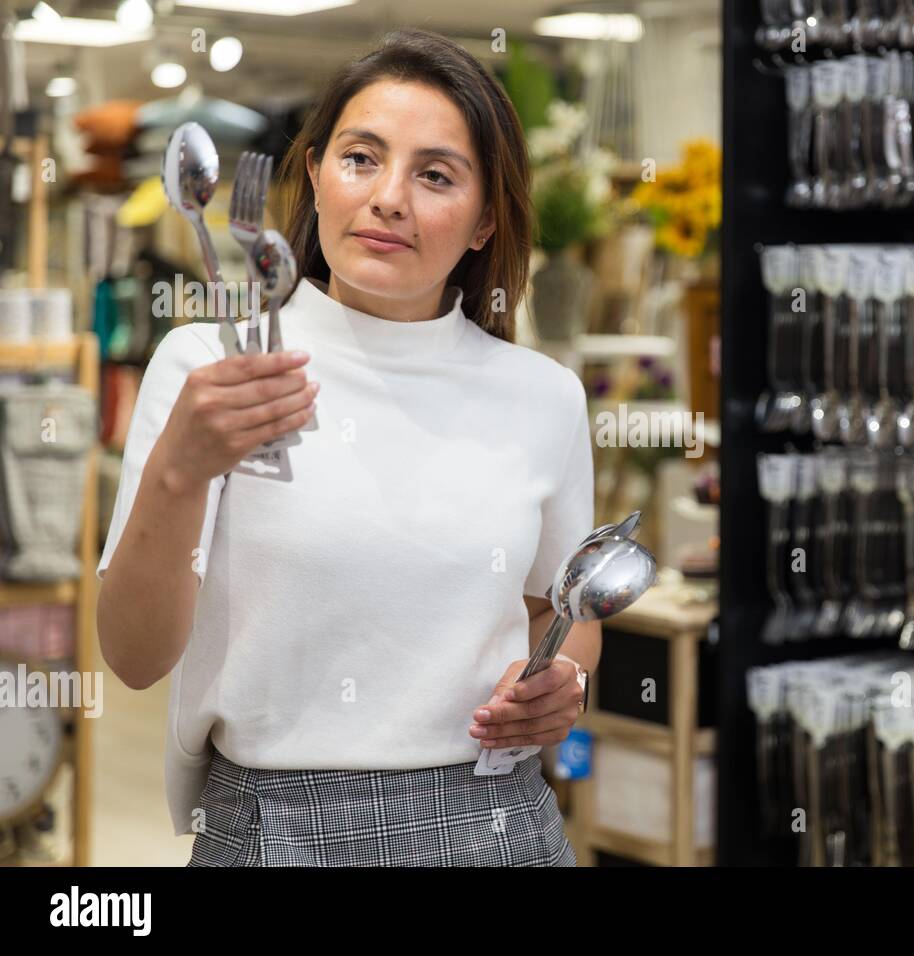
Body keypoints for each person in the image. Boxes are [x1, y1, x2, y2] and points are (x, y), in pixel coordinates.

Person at [96, 29, 597, 866]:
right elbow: (133, 658)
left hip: (499, 826)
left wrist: (563, 684)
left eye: (435, 175)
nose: (389, 197)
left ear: (485, 224)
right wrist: (182, 469)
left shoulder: (543, 395)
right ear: (317, 176)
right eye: (362, 158)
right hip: (273, 827)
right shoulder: (212, 364)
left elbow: (560, 609)